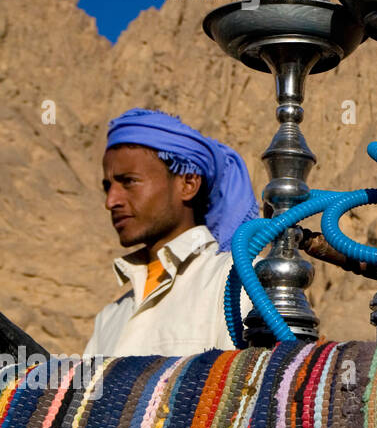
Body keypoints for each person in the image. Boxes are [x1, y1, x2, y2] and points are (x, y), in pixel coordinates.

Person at [85, 109, 258, 357]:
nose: (111, 201)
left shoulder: (237, 281)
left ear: (187, 184)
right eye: (108, 187)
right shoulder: (109, 319)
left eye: (129, 181)